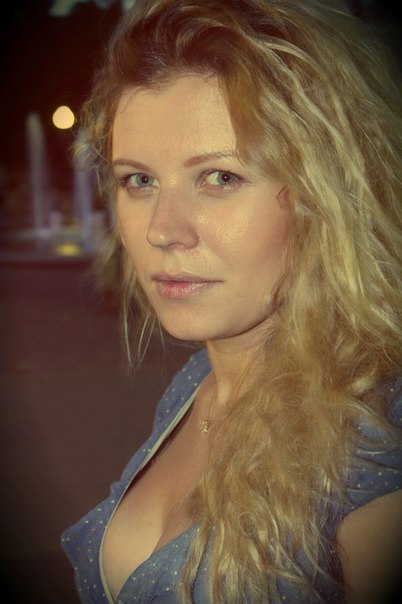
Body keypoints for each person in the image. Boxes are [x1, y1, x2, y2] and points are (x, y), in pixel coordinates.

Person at [61, 0, 402, 602]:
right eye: (139, 180)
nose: (162, 230)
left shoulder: (376, 440)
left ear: (329, 195)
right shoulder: (195, 386)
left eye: (221, 177)